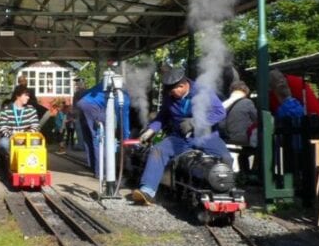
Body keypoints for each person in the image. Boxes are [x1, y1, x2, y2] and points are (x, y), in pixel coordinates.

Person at [132, 68, 230, 206]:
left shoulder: (203, 91)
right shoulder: (169, 96)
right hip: (180, 138)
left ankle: (225, 190)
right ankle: (147, 191)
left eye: (172, 91)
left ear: (182, 86)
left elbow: (219, 112)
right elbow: (163, 116)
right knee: (158, 150)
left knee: (226, 157)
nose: (170, 94)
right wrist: (151, 130)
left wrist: (195, 122)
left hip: (206, 136)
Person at [75, 82, 132, 175]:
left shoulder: (106, 82)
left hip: (82, 104)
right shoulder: (124, 96)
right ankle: (101, 172)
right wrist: (126, 139)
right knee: (100, 138)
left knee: (89, 138)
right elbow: (123, 119)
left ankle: (93, 167)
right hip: (93, 107)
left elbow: (87, 93)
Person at [221, 81, 258, 176]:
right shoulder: (247, 102)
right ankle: (254, 173)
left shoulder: (226, 103)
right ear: (245, 91)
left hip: (228, 137)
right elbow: (256, 118)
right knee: (262, 146)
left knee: (244, 151)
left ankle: (244, 173)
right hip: (243, 138)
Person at [0, 85, 40, 156]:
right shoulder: (6, 110)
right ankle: (12, 158)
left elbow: (35, 126)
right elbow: (3, 128)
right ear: (18, 96)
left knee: (36, 141)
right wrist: (14, 138)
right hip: (11, 138)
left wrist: (25, 137)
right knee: (3, 143)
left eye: (28, 95)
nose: (28, 97)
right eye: (26, 95)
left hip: (27, 138)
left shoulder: (31, 109)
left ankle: (29, 159)